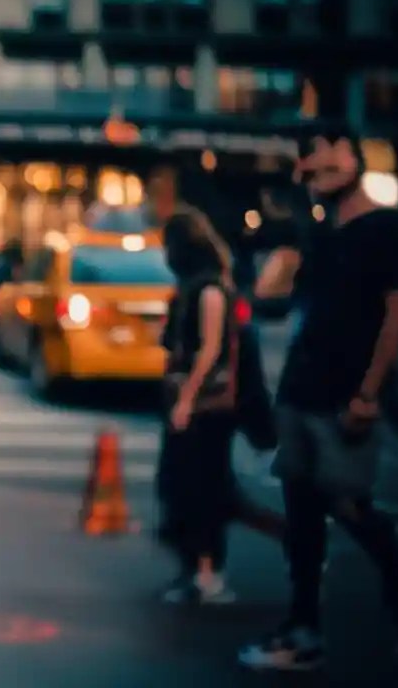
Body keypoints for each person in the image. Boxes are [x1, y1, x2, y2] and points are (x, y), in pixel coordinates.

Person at [238, 127, 398, 671]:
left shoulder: (386, 226)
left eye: (329, 148)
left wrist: (369, 393)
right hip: (300, 391)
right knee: (303, 513)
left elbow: (397, 312)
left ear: (356, 156)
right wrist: (298, 200)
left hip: (344, 396)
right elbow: (279, 299)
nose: (315, 162)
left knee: (350, 504)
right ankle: (303, 630)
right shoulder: (321, 234)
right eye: (307, 157)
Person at [156, 208, 242, 604]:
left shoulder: (209, 289)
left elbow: (210, 351)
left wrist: (187, 400)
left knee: (203, 489)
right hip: (189, 402)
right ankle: (194, 570)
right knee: (181, 487)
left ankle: (208, 574)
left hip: (207, 409)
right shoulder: (192, 287)